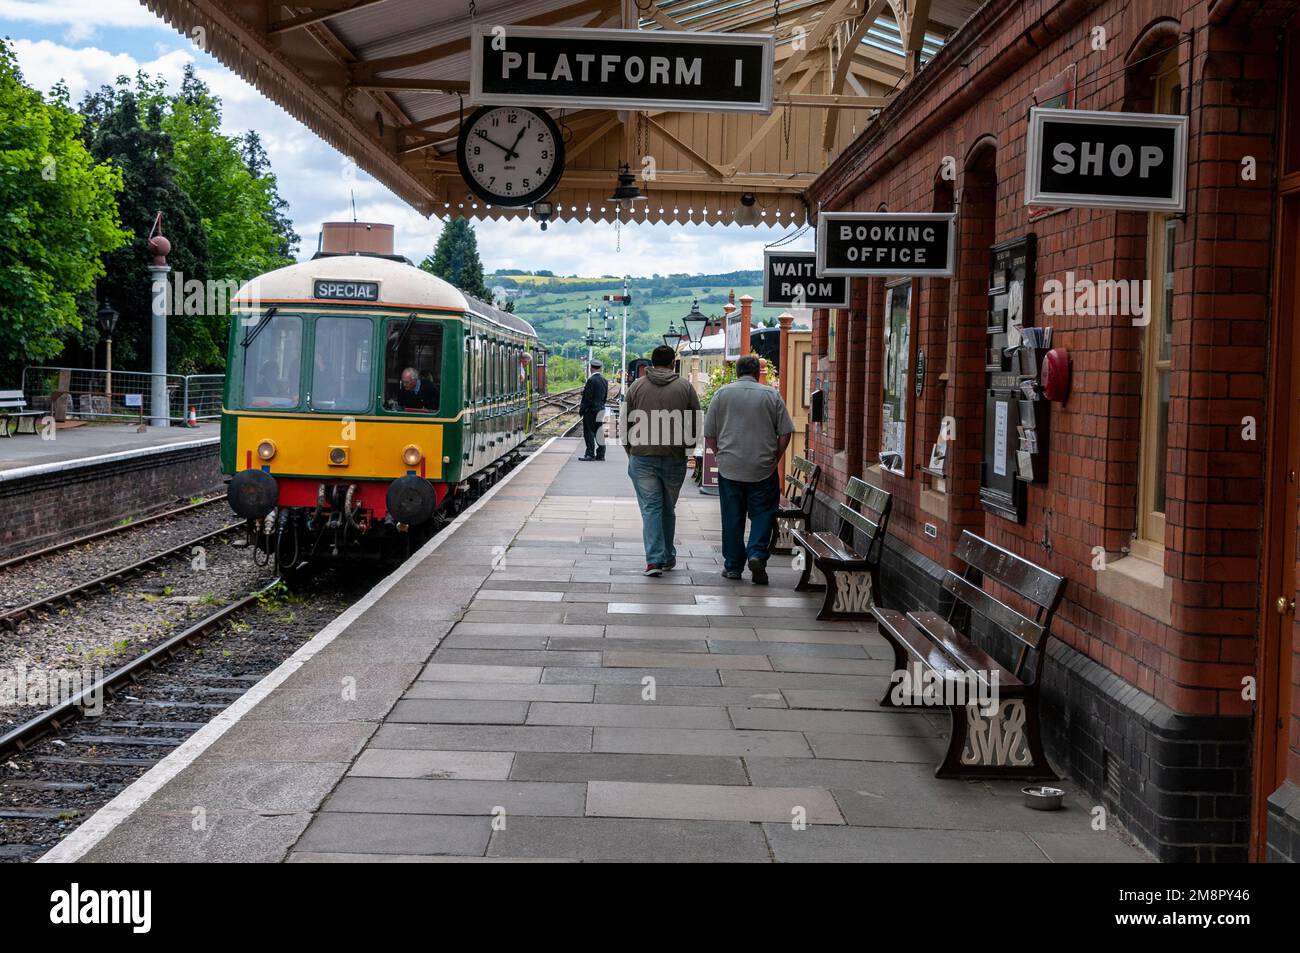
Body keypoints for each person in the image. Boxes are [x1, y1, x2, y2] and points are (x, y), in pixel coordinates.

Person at [702, 355, 794, 585]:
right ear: (756, 373)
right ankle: (756, 554)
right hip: (762, 467)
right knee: (763, 514)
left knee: (732, 516)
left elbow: (709, 434)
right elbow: (785, 432)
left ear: (737, 372)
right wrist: (776, 457)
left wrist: (720, 455)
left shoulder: (722, 394)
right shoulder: (771, 396)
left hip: (730, 467)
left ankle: (733, 566)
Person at [623, 345, 701, 576]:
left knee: (651, 508)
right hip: (674, 456)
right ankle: (667, 556)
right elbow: (695, 421)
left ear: (651, 363)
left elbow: (625, 422)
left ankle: (655, 560)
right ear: (672, 363)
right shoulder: (685, 387)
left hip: (642, 456)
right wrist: (688, 450)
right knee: (668, 507)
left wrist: (632, 449)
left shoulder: (636, 386)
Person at [579, 360, 608, 461]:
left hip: (591, 411)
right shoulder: (604, 380)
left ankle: (590, 454)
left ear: (590, 368)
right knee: (599, 432)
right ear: (600, 368)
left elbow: (588, 398)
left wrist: (582, 409)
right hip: (600, 409)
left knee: (589, 432)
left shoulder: (591, 380)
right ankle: (601, 454)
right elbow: (604, 397)